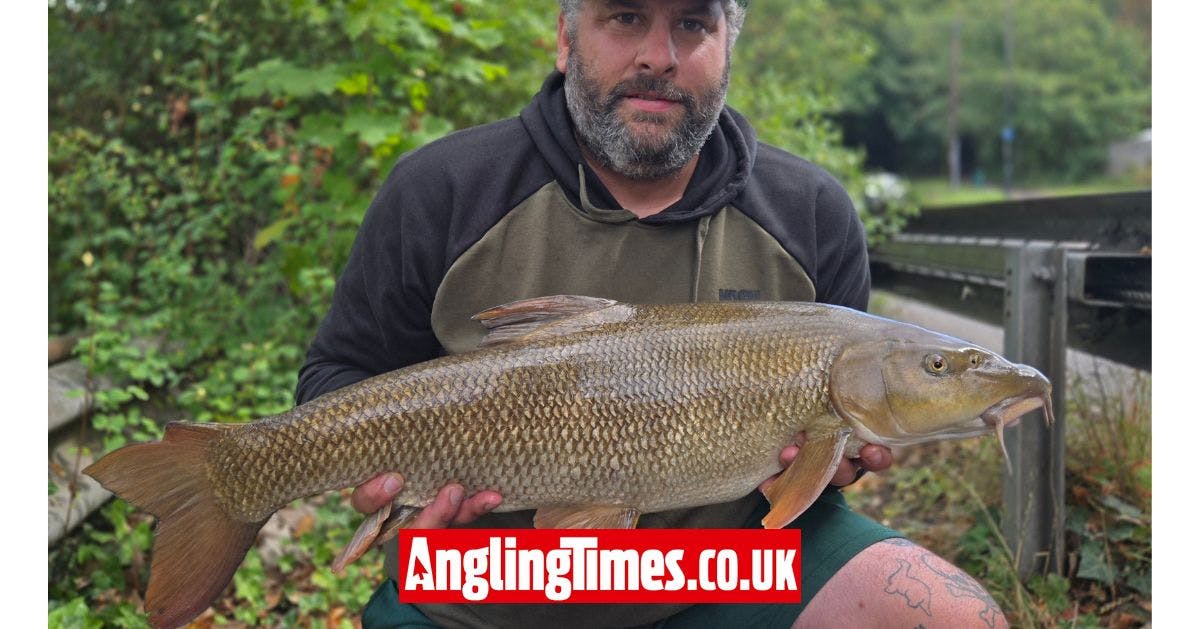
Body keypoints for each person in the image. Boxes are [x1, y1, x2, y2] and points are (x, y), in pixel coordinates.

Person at [297, 1, 1007, 627]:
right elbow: (339, 374)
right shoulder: (441, 188)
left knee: (952, 615)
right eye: (626, 16)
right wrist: (380, 472)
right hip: (483, 585)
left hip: (727, 573)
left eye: (693, 24)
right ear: (566, 38)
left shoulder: (811, 212)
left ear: (728, 44)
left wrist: (833, 465)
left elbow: (829, 462)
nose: (658, 56)